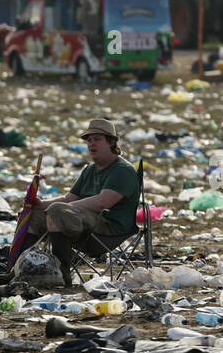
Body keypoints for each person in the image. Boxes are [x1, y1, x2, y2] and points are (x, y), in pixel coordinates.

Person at [20, 117, 140, 287]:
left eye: (97, 139)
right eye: (89, 140)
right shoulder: (89, 170)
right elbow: (68, 199)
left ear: (112, 142)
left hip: (107, 230)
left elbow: (102, 203)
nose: (92, 144)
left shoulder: (123, 170)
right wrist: (39, 204)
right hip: (82, 224)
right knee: (32, 214)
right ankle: (23, 268)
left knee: (57, 212)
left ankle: (62, 274)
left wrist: (60, 209)